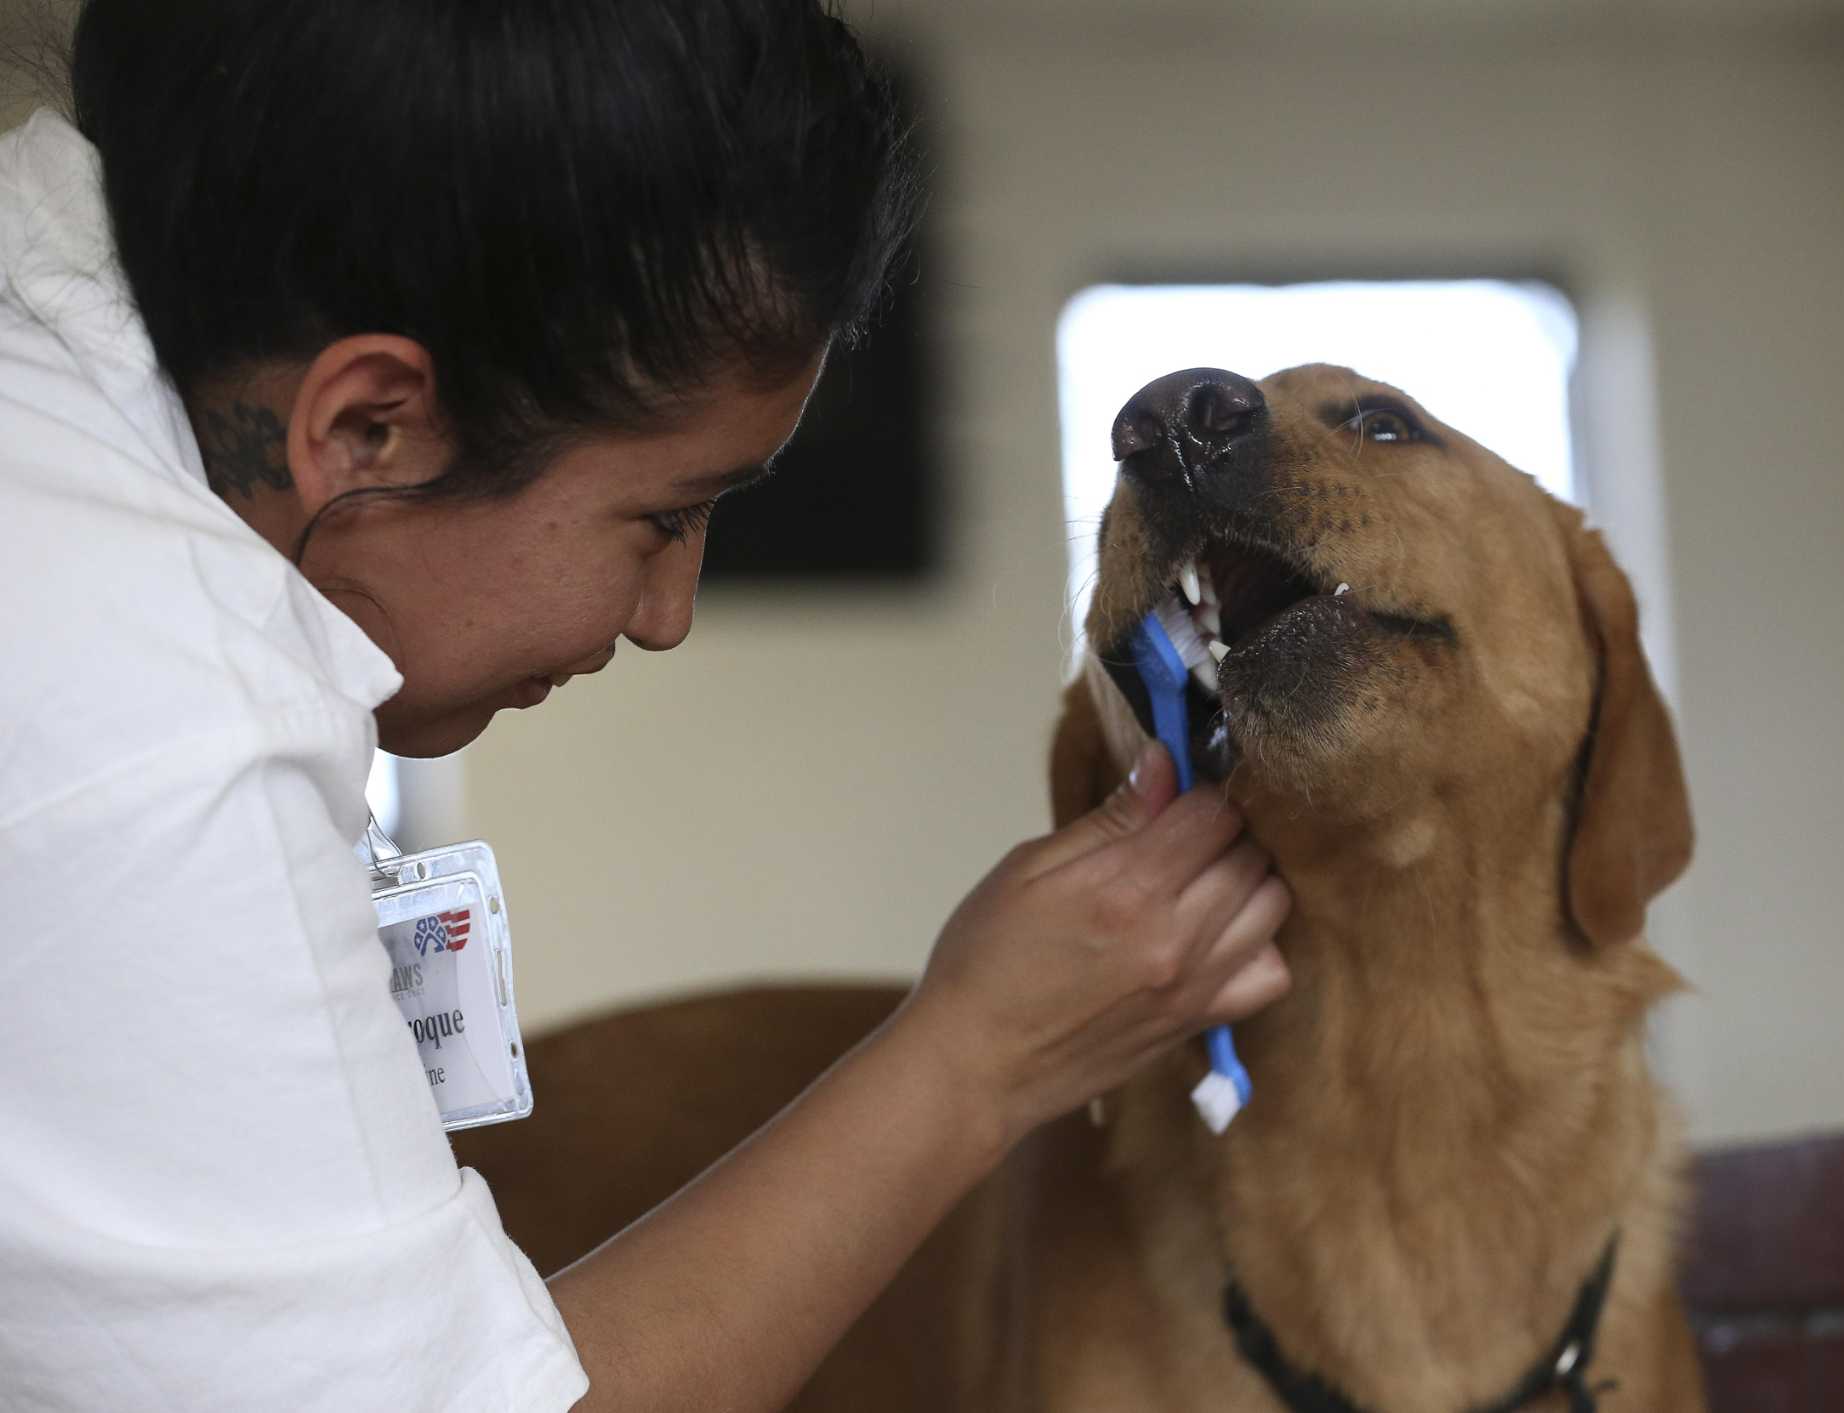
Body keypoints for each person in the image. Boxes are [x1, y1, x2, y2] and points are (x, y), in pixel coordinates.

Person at [0, 3, 1294, 1408]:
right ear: (364, 426)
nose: (666, 613)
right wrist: (977, 1053)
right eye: (663, 516)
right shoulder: (152, 715)